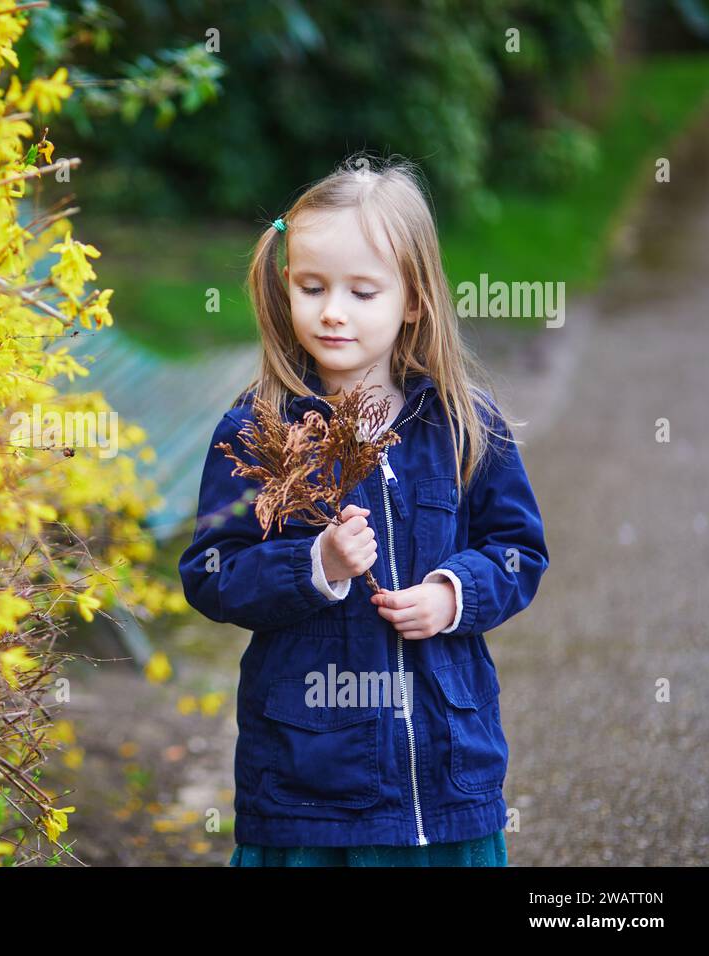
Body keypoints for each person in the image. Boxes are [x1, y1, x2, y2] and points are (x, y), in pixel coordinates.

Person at [179, 155, 550, 866]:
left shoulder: (461, 422)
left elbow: (518, 549)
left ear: (412, 299)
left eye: (362, 291)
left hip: (448, 779)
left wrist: (453, 593)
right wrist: (313, 565)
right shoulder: (258, 430)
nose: (333, 311)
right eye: (312, 287)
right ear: (286, 285)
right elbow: (211, 569)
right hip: (308, 789)